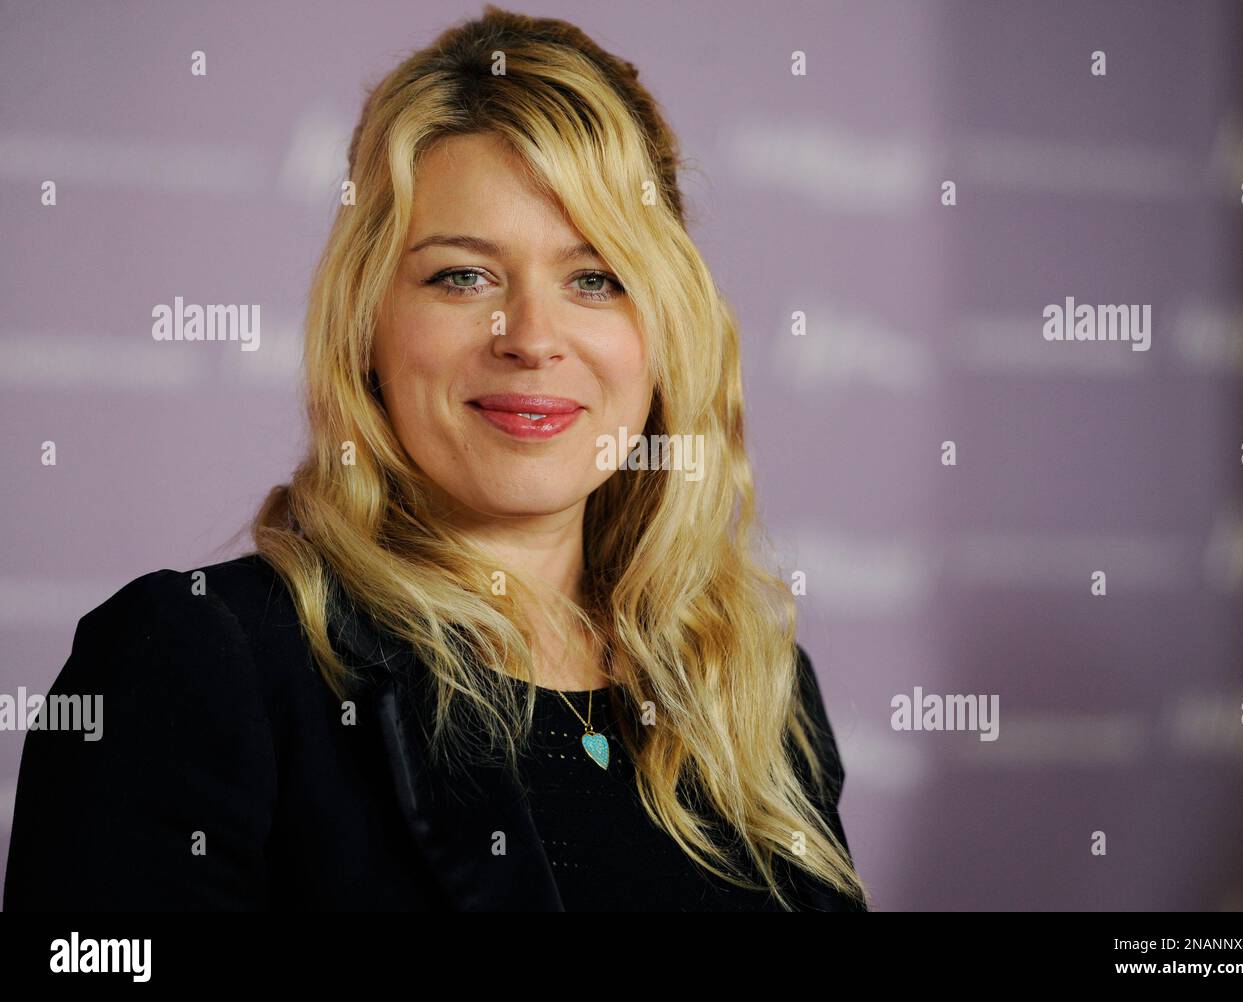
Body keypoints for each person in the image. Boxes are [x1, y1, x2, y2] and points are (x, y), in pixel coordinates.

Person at [4, 5, 870, 912]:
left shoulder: (751, 691)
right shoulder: (197, 661)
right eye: (464, 276)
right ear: (368, 323)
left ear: (664, 333)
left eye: (597, 277)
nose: (531, 339)